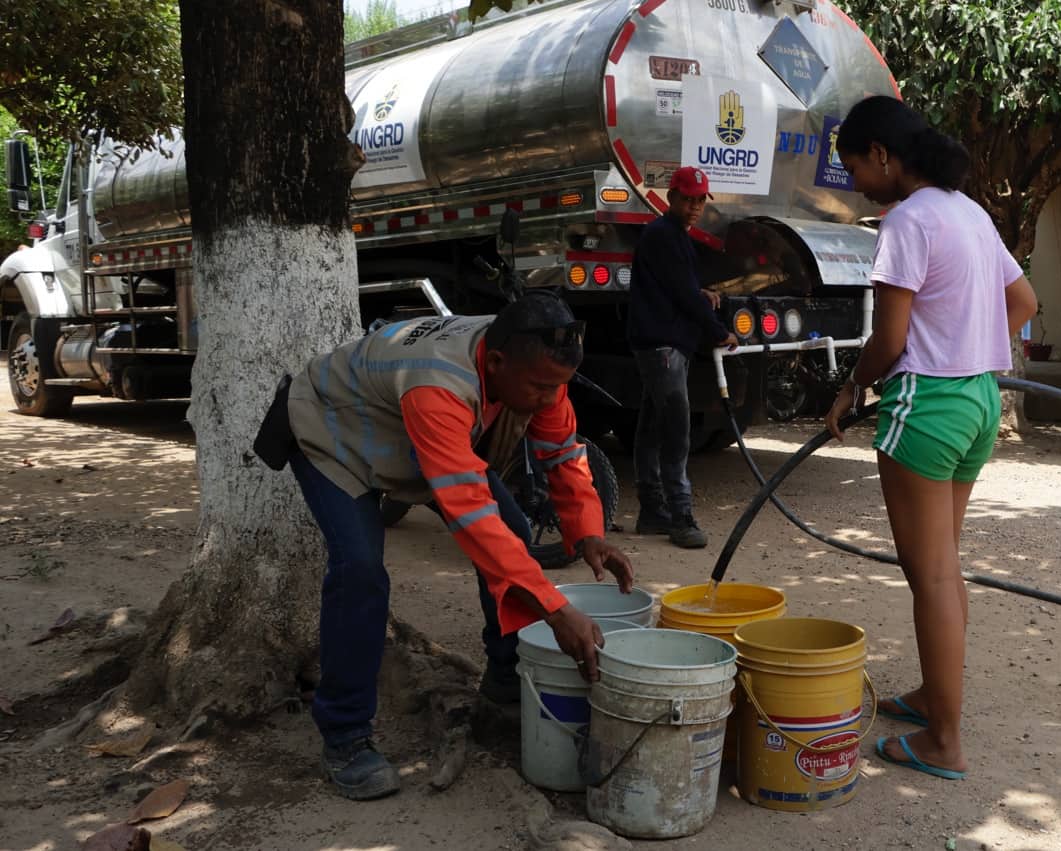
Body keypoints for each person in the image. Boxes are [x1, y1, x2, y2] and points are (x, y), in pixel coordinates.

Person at [273, 291, 634, 800]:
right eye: (537, 388)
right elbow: (472, 517)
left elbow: (561, 450)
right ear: (499, 361)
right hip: (334, 433)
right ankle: (346, 736)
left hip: (405, 429)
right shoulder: (439, 384)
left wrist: (588, 532)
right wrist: (555, 609)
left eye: (558, 387)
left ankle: (507, 679)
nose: (547, 398)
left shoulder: (533, 357)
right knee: (359, 570)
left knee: (514, 531)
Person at [824, 96, 1038, 781]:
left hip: (925, 406)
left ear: (883, 155)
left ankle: (945, 739)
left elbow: (889, 340)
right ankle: (931, 699)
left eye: (854, 164)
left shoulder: (907, 220)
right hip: (977, 401)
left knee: (933, 574)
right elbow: (1024, 302)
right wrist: (970, 345)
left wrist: (851, 384)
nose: (855, 179)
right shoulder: (968, 211)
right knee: (939, 567)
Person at [626, 166, 737, 549]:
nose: (694, 207)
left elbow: (678, 287)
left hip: (660, 344)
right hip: (663, 347)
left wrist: (699, 291)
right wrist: (720, 332)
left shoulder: (672, 236)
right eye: (687, 199)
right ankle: (680, 517)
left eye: (699, 200)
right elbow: (682, 295)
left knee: (652, 427)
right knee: (676, 430)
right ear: (671, 197)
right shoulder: (665, 235)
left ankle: (651, 512)